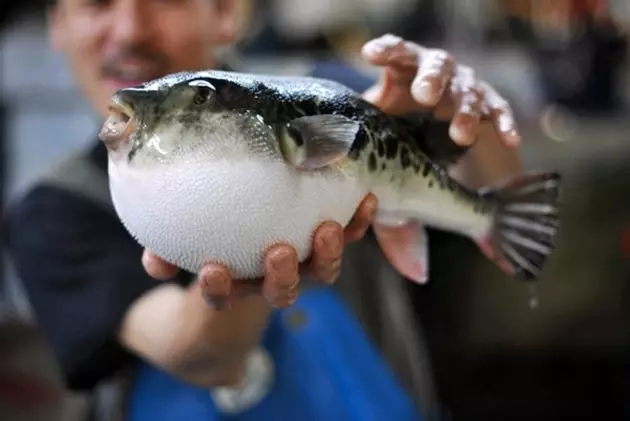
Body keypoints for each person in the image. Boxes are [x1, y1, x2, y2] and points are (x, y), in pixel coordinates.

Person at [3, 0, 524, 419]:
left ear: (228, 10)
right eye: (97, 3)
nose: (129, 29)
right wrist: (251, 273)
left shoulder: (330, 95)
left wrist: (463, 112)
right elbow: (206, 359)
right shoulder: (53, 211)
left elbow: (500, 183)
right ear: (59, 24)